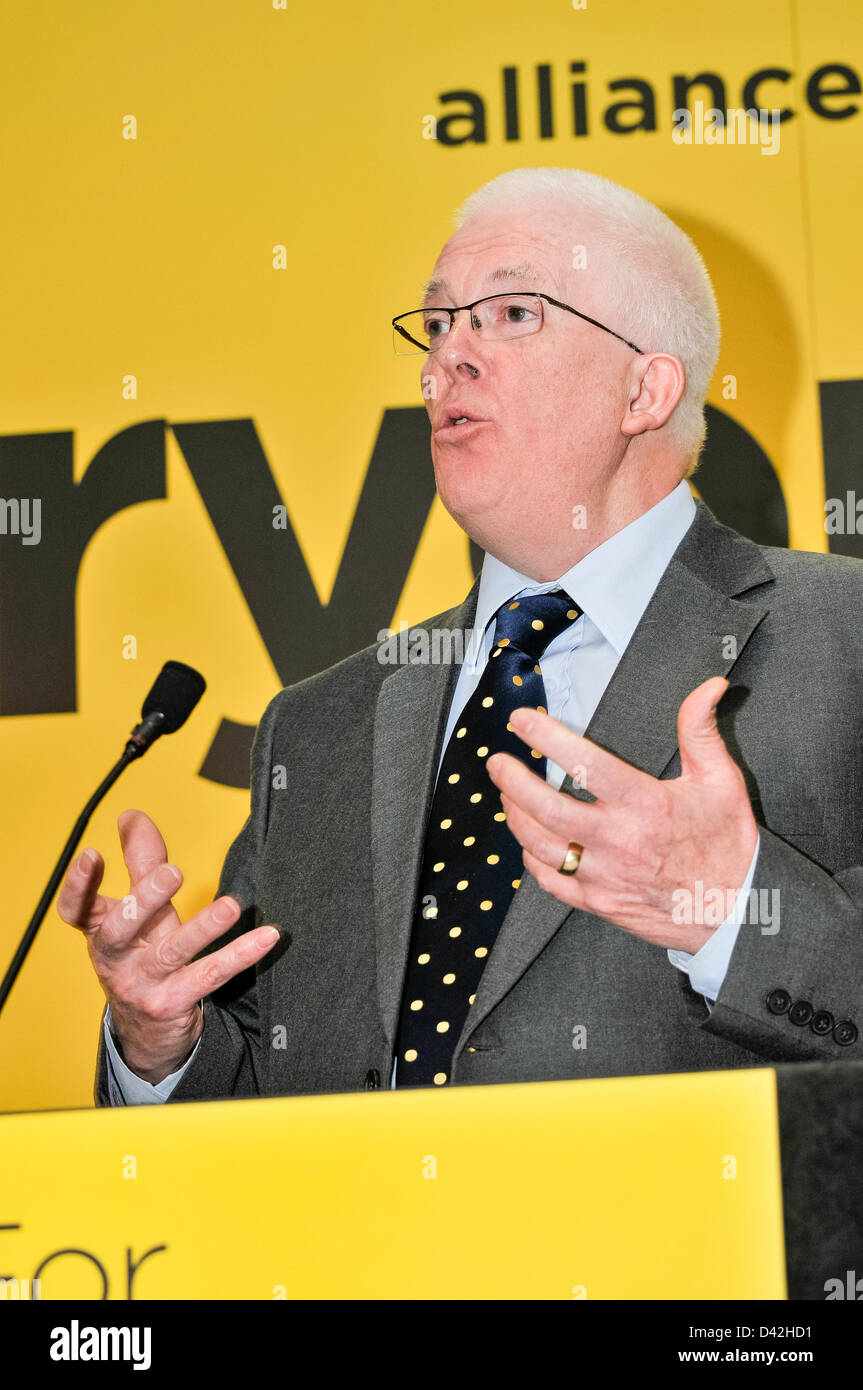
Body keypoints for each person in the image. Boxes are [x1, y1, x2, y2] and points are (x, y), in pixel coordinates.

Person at [58, 166, 863, 1104]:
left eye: (512, 314)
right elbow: (265, 1100)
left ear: (644, 392)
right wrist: (162, 1043)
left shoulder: (839, 638)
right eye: (439, 324)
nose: (448, 360)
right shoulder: (317, 729)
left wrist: (732, 913)